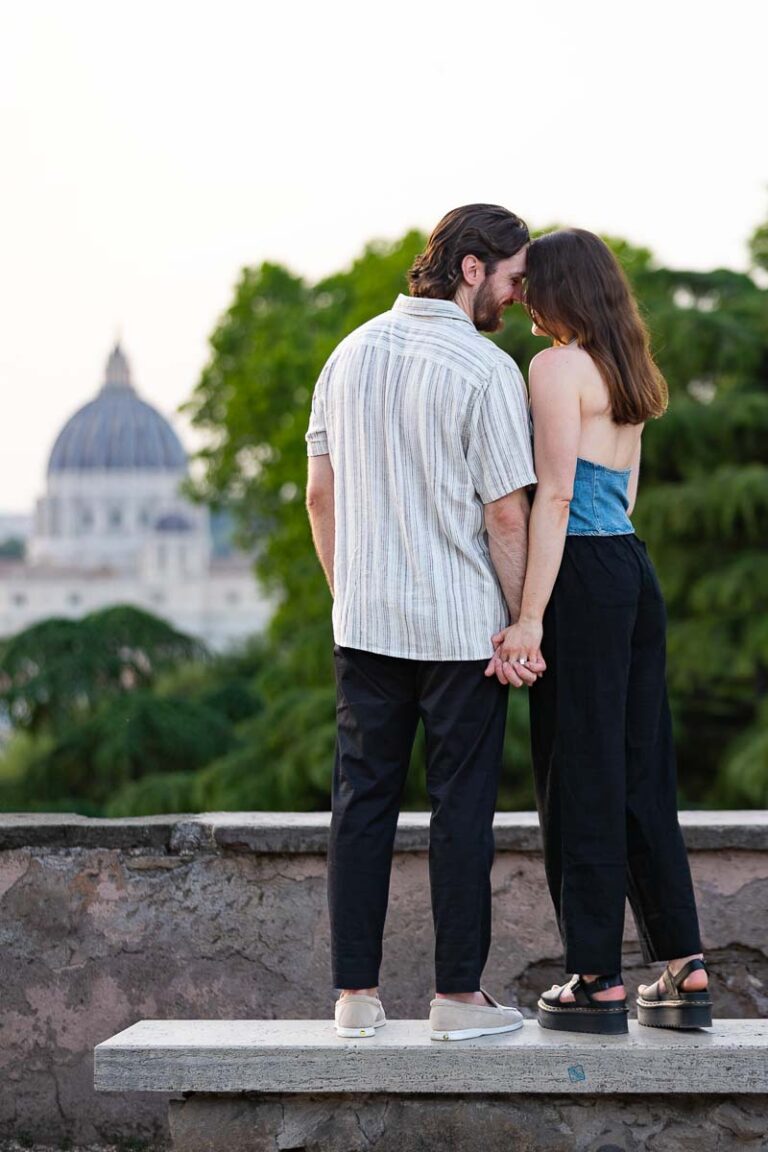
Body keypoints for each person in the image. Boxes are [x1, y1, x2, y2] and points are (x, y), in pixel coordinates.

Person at [306, 204, 541, 1041]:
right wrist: (525, 626)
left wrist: (350, 595)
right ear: (472, 269)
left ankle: (354, 999)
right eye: (513, 278)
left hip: (364, 623)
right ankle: (457, 999)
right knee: (461, 811)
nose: (516, 296)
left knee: (359, 804)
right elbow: (507, 517)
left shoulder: (348, 353)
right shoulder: (485, 371)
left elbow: (319, 495)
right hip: (460, 631)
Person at [488, 228, 711, 1034]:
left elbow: (551, 500)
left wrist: (530, 619)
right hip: (631, 570)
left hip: (578, 575)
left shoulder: (554, 368)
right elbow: (625, 496)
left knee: (577, 772)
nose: (523, 300)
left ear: (560, 289)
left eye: (530, 285)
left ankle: (594, 978)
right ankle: (683, 969)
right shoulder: (628, 370)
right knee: (642, 769)